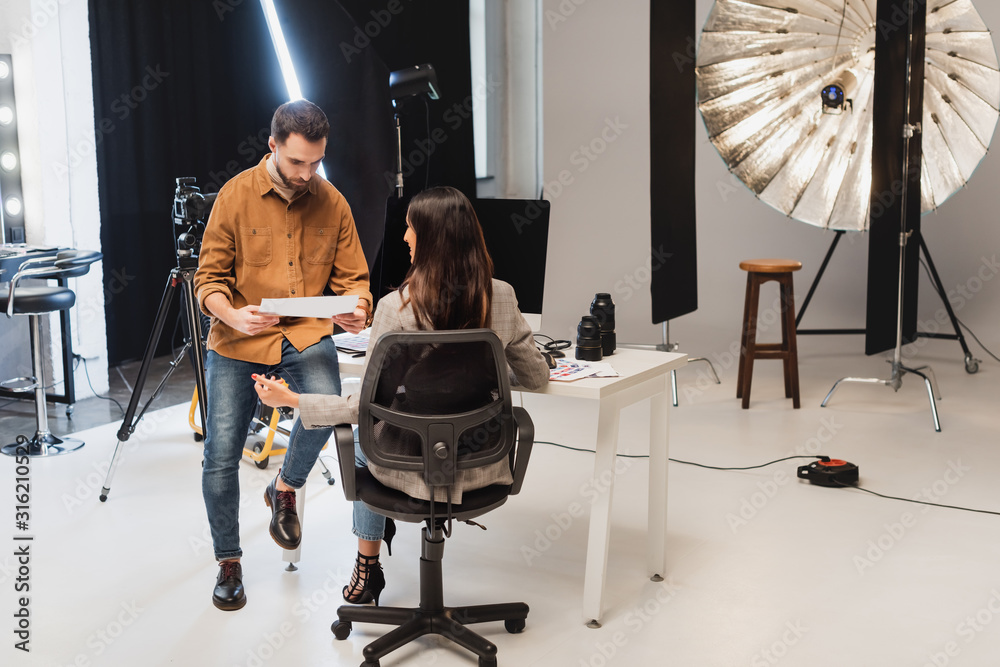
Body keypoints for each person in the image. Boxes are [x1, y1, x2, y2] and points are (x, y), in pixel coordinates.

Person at [253, 185, 549, 606]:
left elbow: (364, 407)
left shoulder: (397, 307)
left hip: (409, 467)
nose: (404, 238)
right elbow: (535, 377)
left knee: (361, 439)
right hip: (481, 461)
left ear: (430, 238)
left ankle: (367, 566)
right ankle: (369, 558)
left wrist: (294, 402)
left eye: (410, 229)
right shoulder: (502, 296)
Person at [194, 99, 373, 611]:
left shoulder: (332, 202)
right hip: (238, 337)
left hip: (305, 333)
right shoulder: (234, 197)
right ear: (272, 146)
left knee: (325, 409)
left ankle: (285, 487)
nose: (307, 173)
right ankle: (229, 560)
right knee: (220, 457)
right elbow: (208, 281)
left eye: (316, 162)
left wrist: (357, 309)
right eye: (297, 162)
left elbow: (355, 281)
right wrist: (232, 316)